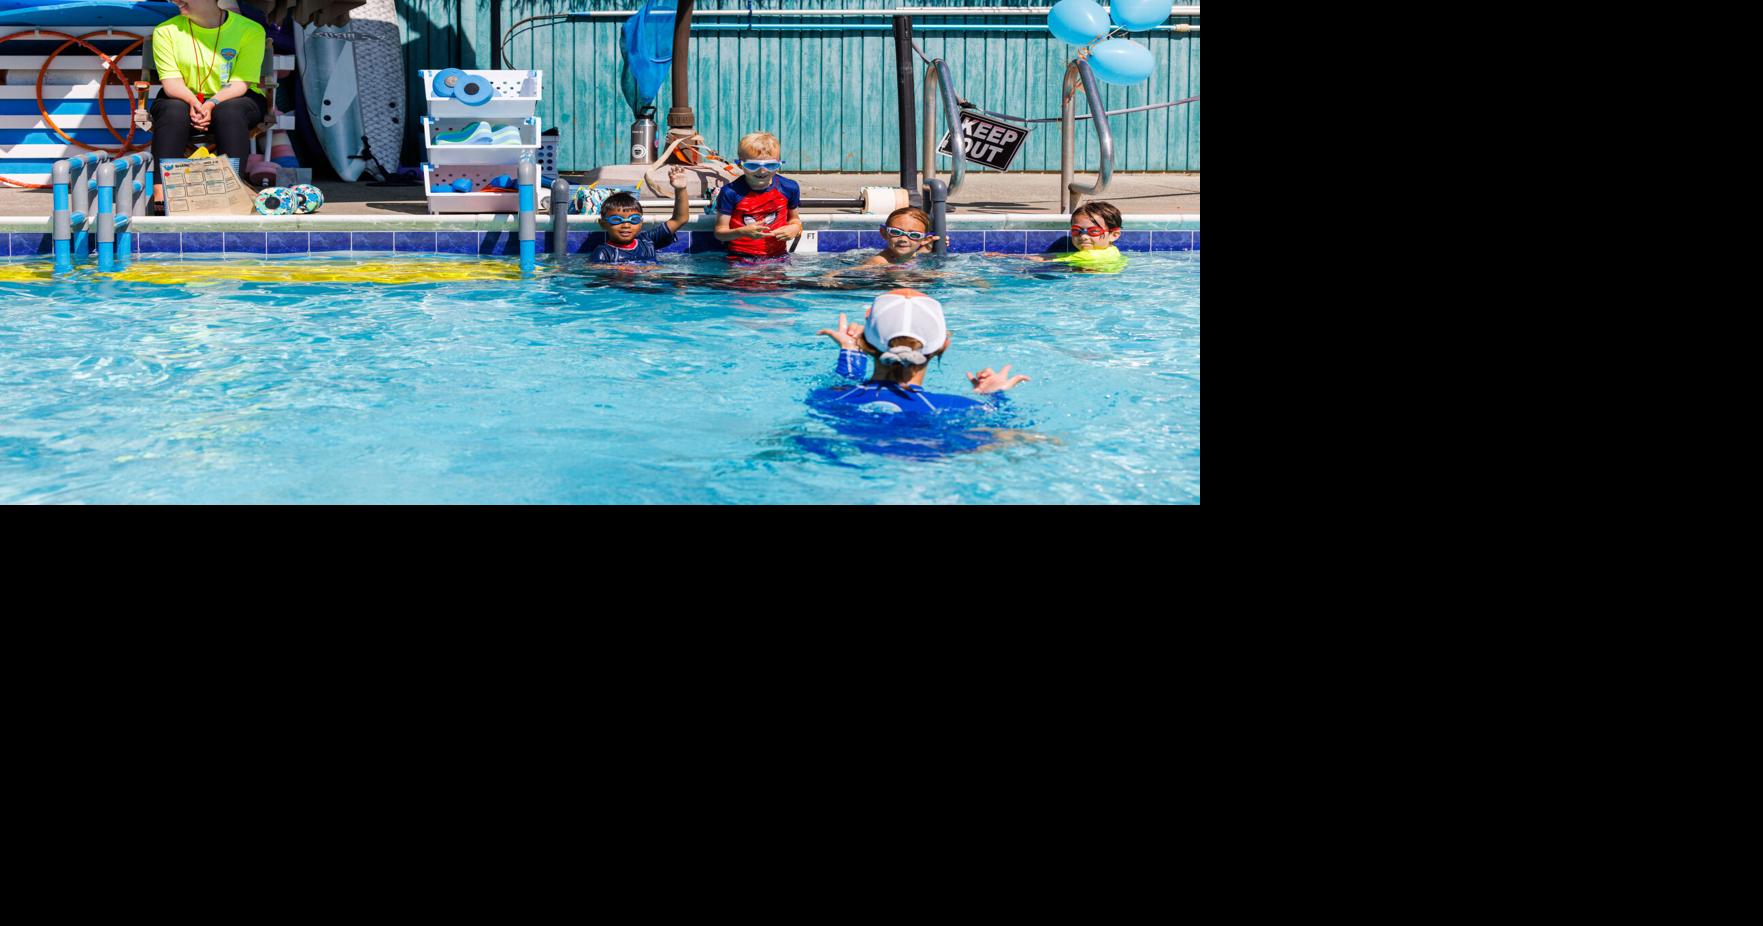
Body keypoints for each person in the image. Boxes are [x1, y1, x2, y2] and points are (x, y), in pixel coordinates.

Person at [812, 288, 1029, 415]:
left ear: (865, 341)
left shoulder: (824, 399)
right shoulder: (962, 409)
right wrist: (995, 398)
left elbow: (848, 391)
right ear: (943, 344)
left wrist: (850, 354)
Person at [149, 0, 269, 170]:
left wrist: (211, 103)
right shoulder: (165, 30)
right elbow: (172, 83)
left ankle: (231, 183)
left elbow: (240, 83)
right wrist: (194, 102)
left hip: (237, 97)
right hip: (184, 97)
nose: (174, 0)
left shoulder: (250, 30)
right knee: (172, 112)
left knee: (229, 112)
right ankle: (163, 185)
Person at [713, 131, 802, 260]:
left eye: (771, 165)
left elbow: (794, 219)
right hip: (741, 258)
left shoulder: (789, 188)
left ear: (779, 164)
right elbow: (720, 233)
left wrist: (795, 228)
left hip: (778, 257)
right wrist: (742, 232)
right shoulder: (731, 192)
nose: (762, 170)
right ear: (739, 164)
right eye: (753, 165)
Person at [584, 167, 692, 265]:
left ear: (641, 223)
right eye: (617, 220)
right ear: (603, 223)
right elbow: (596, 270)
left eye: (634, 219)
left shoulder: (647, 241)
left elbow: (680, 219)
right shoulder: (604, 252)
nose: (626, 225)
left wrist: (681, 189)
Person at [857, 207, 940, 267]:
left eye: (914, 235)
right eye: (896, 232)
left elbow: (916, 254)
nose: (903, 239)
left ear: (925, 240)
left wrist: (929, 246)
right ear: (884, 233)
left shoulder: (912, 254)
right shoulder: (879, 261)